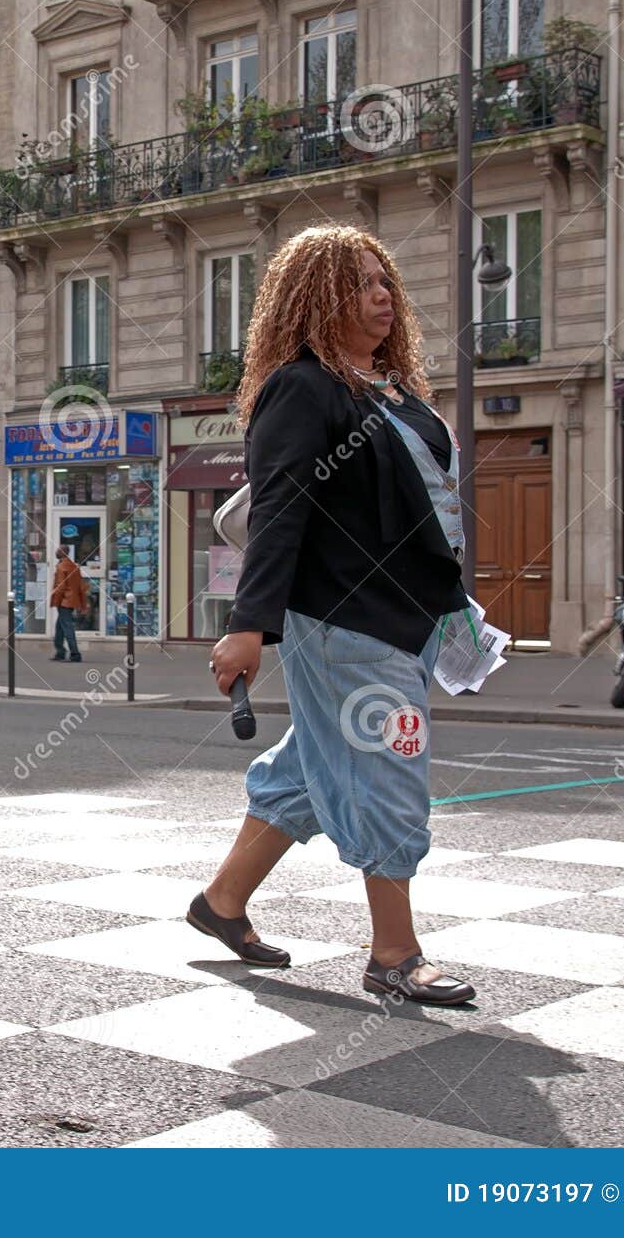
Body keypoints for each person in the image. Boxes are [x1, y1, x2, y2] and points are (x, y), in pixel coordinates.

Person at [197, 224, 475, 1006]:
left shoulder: (395, 392)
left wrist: (455, 608)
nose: (383, 296)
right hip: (345, 619)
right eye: (360, 284)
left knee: (310, 772)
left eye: (385, 281)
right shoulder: (301, 387)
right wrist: (251, 625)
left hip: (406, 615)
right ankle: (394, 952)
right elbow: (281, 510)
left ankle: (220, 903)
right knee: (387, 764)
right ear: (316, 298)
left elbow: (426, 510)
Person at [49, 546, 86, 662]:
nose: (56, 552)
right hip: (71, 600)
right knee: (59, 627)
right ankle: (60, 651)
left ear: (62, 553)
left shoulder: (61, 567)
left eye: (58, 550)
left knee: (67, 627)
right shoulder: (74, 566)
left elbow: (60, 587)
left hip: (64, 601)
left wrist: (55, 600)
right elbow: (80, 586)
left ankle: (75, 653)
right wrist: (82, 603)